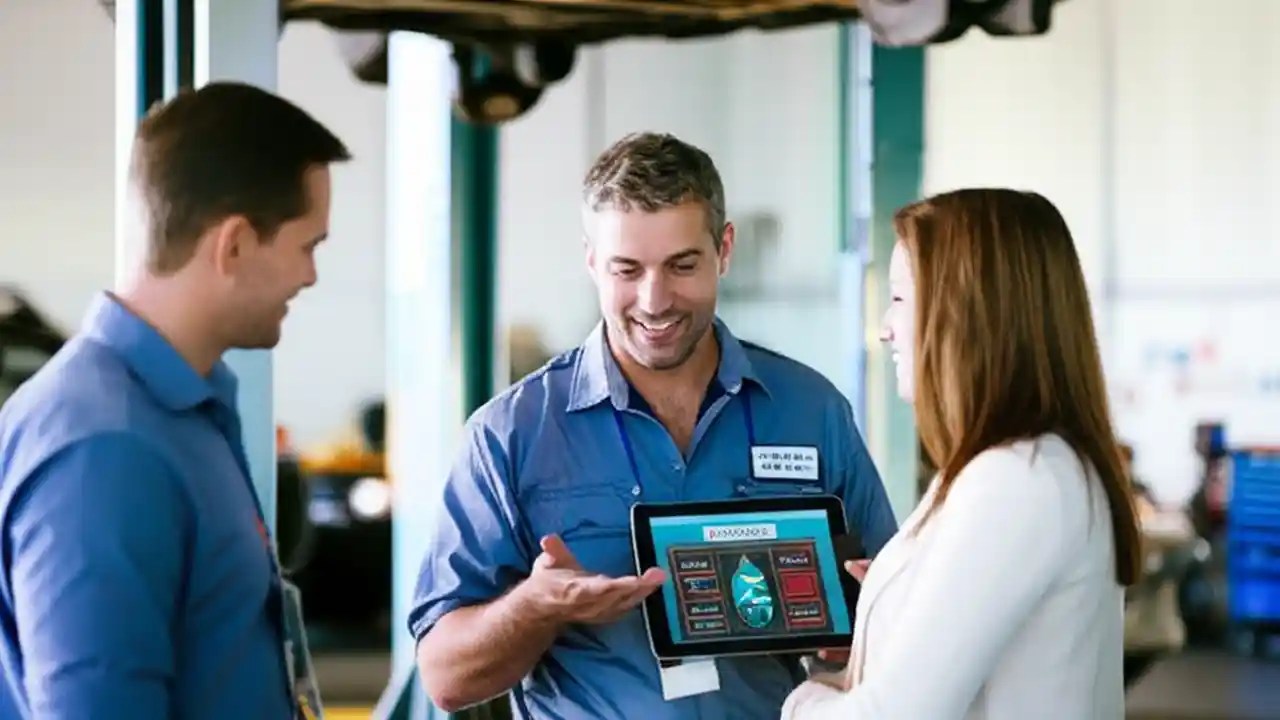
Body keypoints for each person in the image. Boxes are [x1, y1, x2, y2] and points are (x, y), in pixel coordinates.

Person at [410, 131, 898, 720]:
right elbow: (445, 678)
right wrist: (537, 607)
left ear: (724, 248)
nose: (654, 299)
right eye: (626, 269)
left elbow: (896, 626)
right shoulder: (512, 433)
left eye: (682, 265)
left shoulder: (812, 411)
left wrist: (856, 632)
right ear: (592, 260)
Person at [0, 82, 350, 718]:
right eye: (308, 246)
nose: (311, 276)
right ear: (235, 244)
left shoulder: (180, 413)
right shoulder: (105, 451)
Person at [782, 188, 1143, 719]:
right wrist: (887, 621)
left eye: (901, 299)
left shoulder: (1016, 479)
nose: (885, 328)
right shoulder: (1033, 466)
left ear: (968, 314)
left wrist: (799, 698)